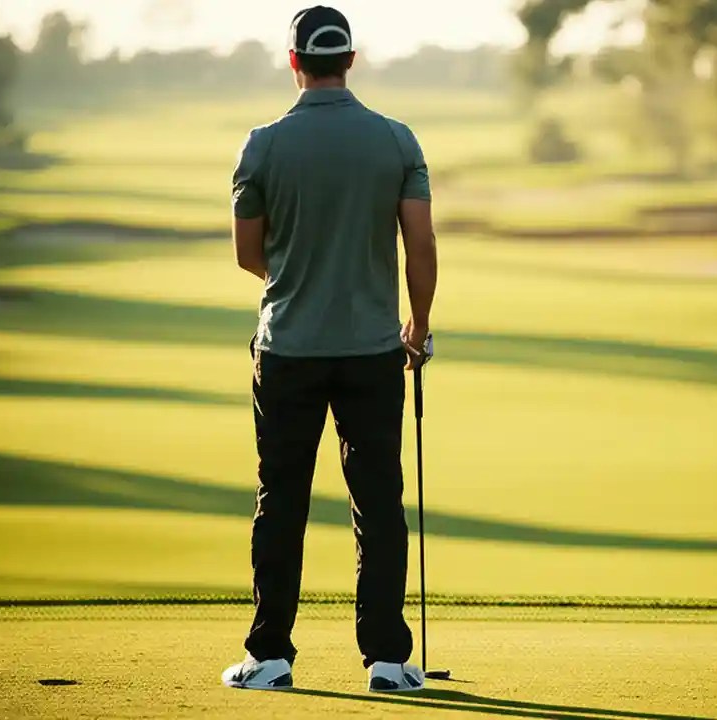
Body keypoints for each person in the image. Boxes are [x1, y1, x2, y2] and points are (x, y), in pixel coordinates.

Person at [220, 5, 437, 694]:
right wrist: (418, 327)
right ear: (351, 59)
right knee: (378, 502)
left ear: (294, 62)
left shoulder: (261, 146)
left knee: (280, 500)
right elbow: (421, 247)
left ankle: (270, 657)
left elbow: (247, 255)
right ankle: (388, 662)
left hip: (287, 351)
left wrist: (298, 282)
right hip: (374, 351)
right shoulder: (396, 141)